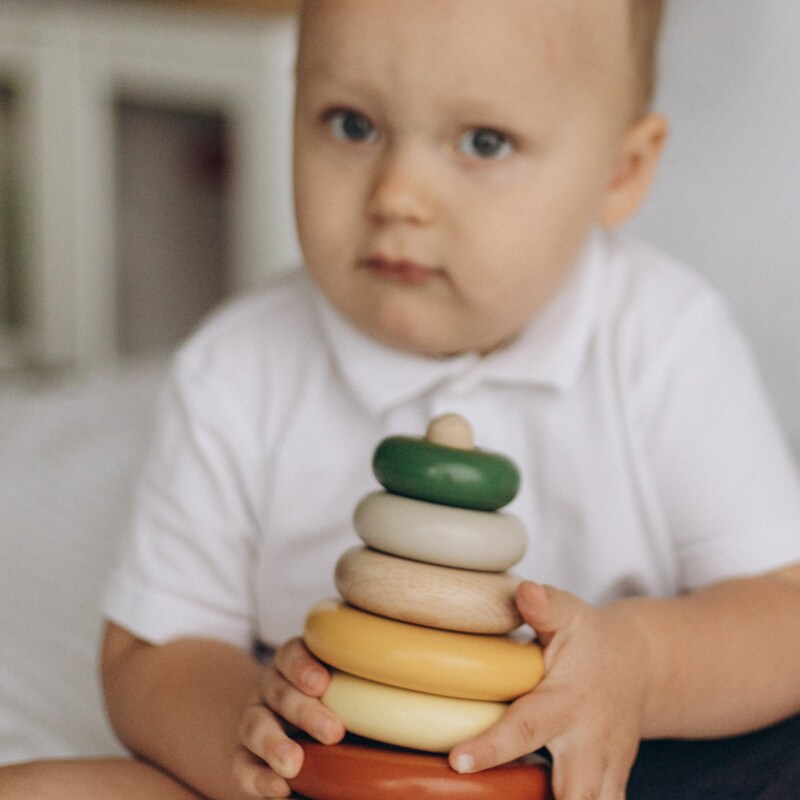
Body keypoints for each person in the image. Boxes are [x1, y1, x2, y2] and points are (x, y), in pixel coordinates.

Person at [4, 1, 800, 799]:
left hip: (600, 776)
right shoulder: (237, 368)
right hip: (329, 773)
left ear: (620, 171)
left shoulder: (663, 342)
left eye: (483, 141)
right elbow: (148, 652)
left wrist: (642, 668)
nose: (398, 195)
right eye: (351, 124)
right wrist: (244, 725)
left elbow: (784, 617)